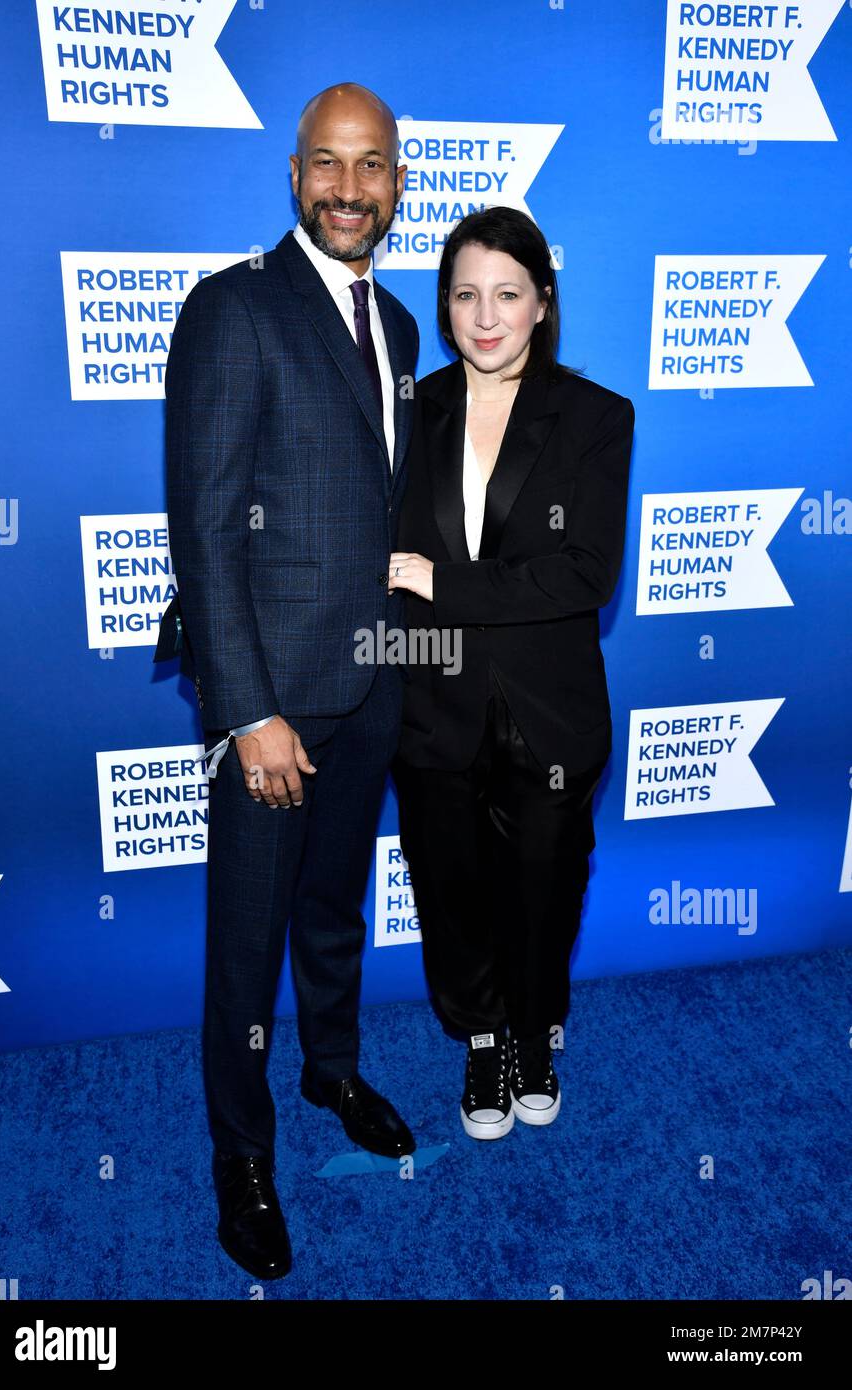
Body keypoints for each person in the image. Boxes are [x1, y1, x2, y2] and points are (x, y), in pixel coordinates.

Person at [156, 84, 419, 1279]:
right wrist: (247, 710)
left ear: (397, 183)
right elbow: (204, 528)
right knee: (246, 936)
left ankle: (331, 1069)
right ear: (294, 177)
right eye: (327, 164)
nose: (348, 190)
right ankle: (240, 1154)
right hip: (272, 699)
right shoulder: (232, 310)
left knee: (333, 905)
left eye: (370, 168)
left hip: (371, 687)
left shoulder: (403, 327)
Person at [388, 206, 635, 1141]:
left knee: (544, 884)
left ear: (542, 303)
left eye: (506, 294)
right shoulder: (409, 409)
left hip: (551, 711)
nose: (484, 317)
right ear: (444, 305)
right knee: (448, 887)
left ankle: (534, 1029)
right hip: (430, 700)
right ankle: (483, 1038)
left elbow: (584, 574)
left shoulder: (596, 418)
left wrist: (440, 580)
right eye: (464, 294)